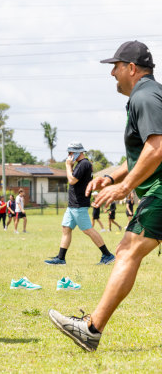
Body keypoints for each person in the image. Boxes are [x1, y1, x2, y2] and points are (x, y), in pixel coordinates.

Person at [50, 40, 162, 352]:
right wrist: (111, 176)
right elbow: (140, 155)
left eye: (115, 66)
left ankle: (91, 329)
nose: (112, 73)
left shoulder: (146, 96)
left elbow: (157, 148)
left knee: (126, 250)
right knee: (128, 249)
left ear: (131, 69)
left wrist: (124, 188)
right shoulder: (146, 96)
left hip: (160, 189)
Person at [44, 142, 114, 265]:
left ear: (77, 152)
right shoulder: (80, 164)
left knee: (88, 230)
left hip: (79, 204)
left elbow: (71, 180)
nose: (69, 156)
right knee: (66, 229)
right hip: (73, 205)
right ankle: (61, 258)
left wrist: (67, 166)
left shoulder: (84, 164)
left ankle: (107, 255)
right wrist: (70, 166)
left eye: (70, 153)